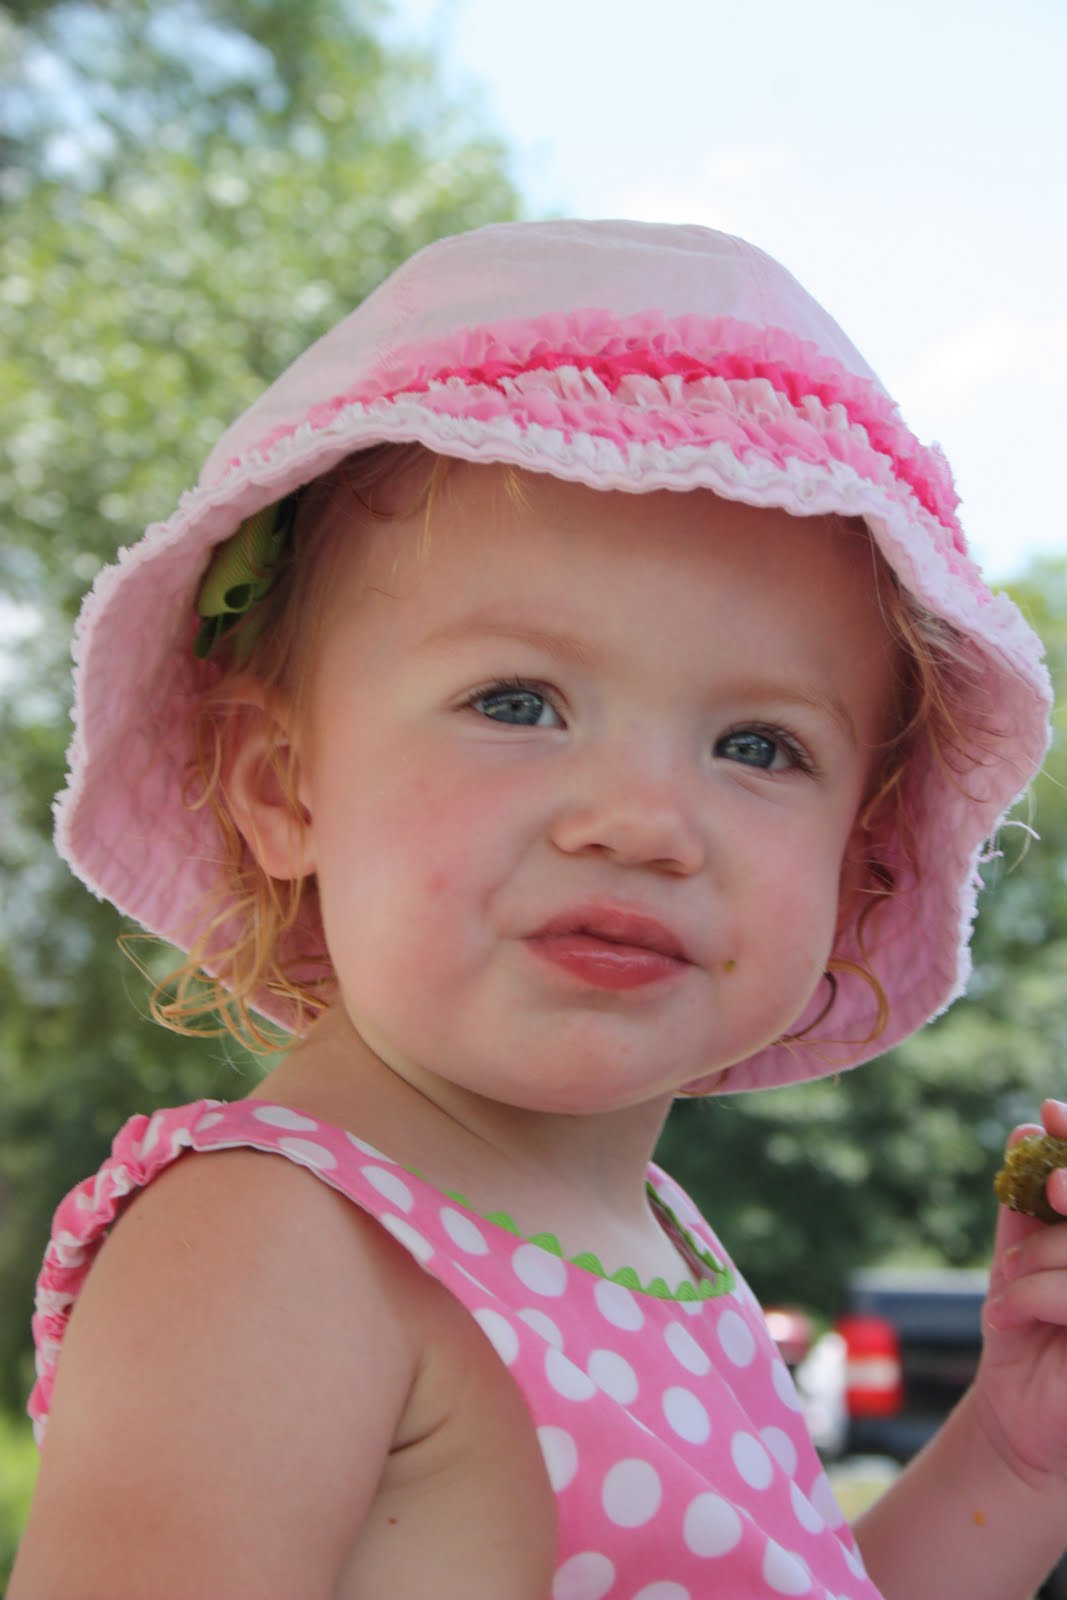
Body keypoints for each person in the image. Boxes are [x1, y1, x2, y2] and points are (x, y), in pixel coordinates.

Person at [10, 219, 1067, 1600]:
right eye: (517, 704)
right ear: (281, 784)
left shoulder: (665, 1250)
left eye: (760, 746)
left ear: (860, 858)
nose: (639, 818)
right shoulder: (272, 1250)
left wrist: (1011, 1459)